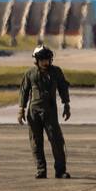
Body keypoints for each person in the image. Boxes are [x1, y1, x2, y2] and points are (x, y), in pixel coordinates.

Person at [17, 45, 70, 179]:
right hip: (33, 112)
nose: (45, 62)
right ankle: (41, 170)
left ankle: (60, 170)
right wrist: (21, 110)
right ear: (37, 61)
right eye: (42, 60)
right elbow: (24, 91)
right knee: (36, 142)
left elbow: (63, 87)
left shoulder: (56, 72)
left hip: (50, 111)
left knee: (57, 141)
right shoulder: (30, 74)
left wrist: (66, 105)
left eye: (47, 60)